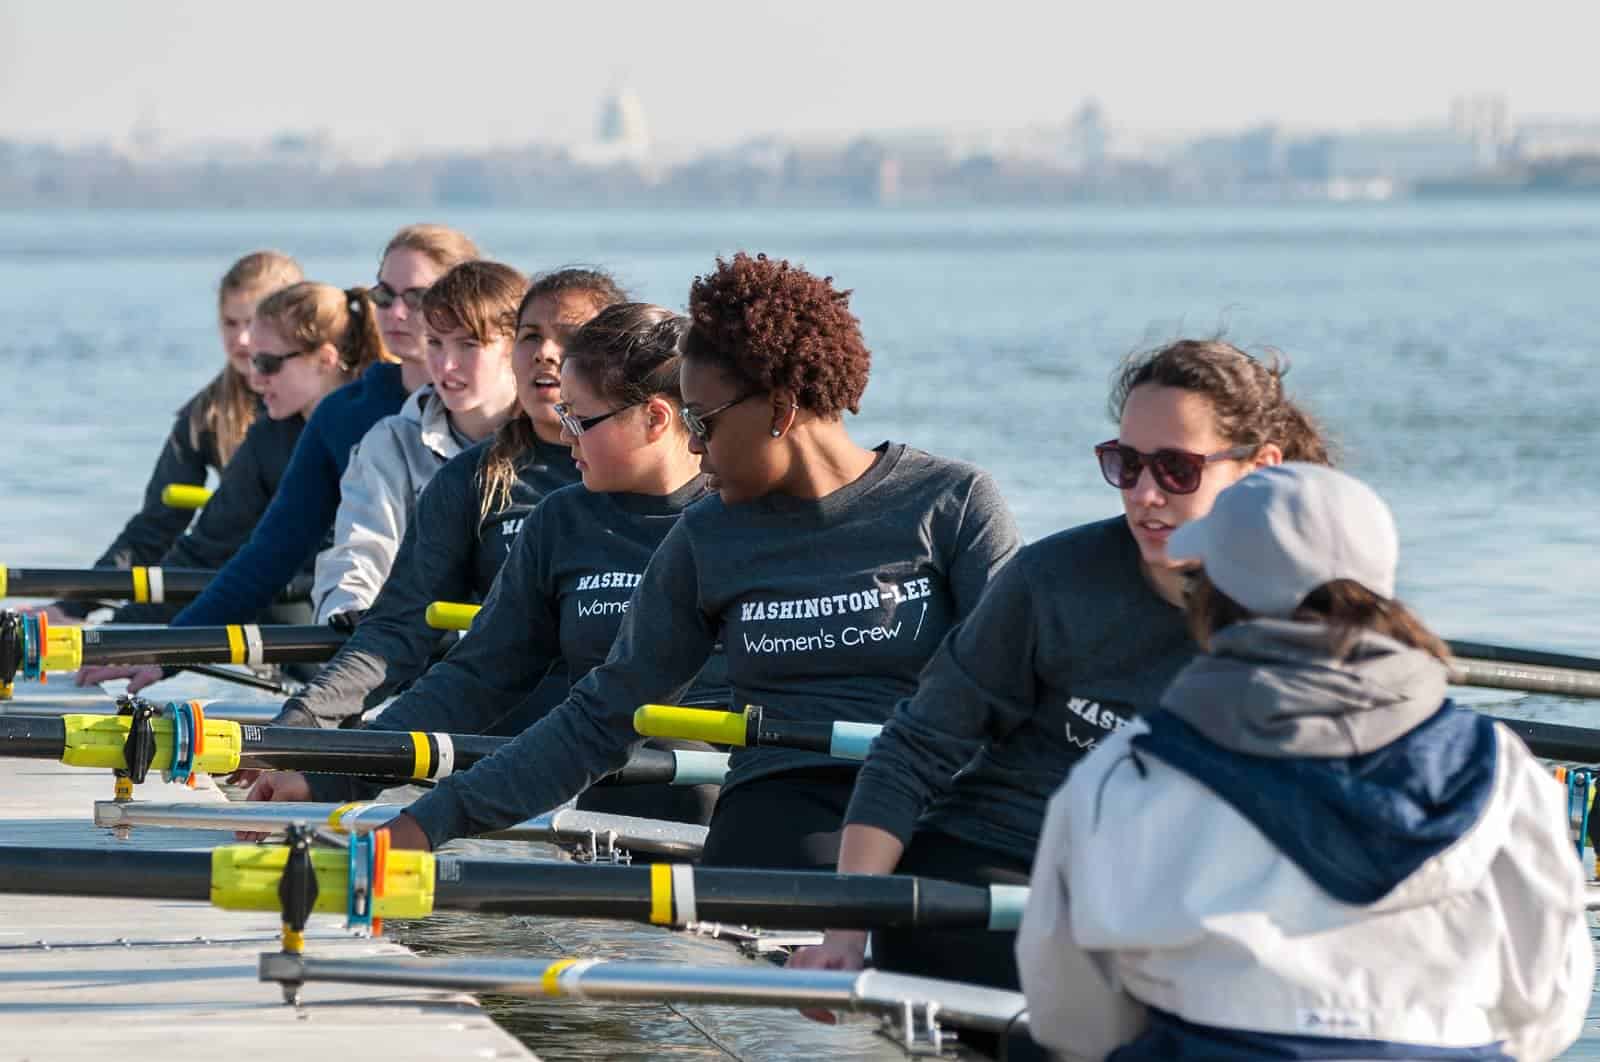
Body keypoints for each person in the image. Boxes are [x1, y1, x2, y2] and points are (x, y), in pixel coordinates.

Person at [371, 252, 1022, 865]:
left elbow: (1019, 701)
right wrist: (426, 822)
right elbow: (599, 719)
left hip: (923, 809)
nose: (695, 449)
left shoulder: (952, 503)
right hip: (774, 827)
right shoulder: (707, 534)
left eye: (702, 422)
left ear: (780, 410)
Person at [790, 339, 1331, 1061]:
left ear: (1259, 471)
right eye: (1126, 464)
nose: (1145, 494)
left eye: (1177, 469)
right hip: (990, 875)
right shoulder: (1051, 580)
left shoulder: (1309, 613)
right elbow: (913, 751)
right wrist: (844, 930)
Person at [1017, 463, 1593, 1062]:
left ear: (1213, 596)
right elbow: (1549, 1007)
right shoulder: (1499, 765)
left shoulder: (1127, 769)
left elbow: (1072, 1019)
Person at [250, 302, 721, 826]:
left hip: (730, 795)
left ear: (655, 417)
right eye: (562, 414)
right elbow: (475, 678)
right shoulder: (561, 520)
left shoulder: (735, 518)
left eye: (580, 419)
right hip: (611, 800)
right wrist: (327, 772)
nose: (565, 436)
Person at [79, 224, 478, 692]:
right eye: (385, 296)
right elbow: (267, 555)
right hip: (389, 653)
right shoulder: (345, 416)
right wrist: (170, 651)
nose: (396, 312)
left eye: (417, 296)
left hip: (486, 656)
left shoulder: (516, 417)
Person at [266, 269, 626, 729]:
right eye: (530, 336)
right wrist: (301, 722)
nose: (545, 354)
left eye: (570, 338)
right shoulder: (467, 479)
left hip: (653, 746)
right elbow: (396, 631)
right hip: (507, 747)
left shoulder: (675, 473)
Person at [46, 250, 302, 622]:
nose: (242, 339)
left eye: (254, 321)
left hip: (315, 584)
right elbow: (155, 529)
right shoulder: (206, 414)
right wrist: (72, 607)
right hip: (242, 578)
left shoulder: (327, 405)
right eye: (230, 323)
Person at [311, 259, 526, 623]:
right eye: (435, 344)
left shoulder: (564, 440)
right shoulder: (389, 443)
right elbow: (362, 551)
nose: (445, 366)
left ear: (515, 347)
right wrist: (346, 611)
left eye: (468, 345)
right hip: (425, 648)